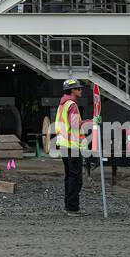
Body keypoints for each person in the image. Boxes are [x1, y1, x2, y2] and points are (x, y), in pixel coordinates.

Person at [55, 80, 83, 215]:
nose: (80, 90)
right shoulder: (72, 105)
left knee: (69, 177)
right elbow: (75, 124)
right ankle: (72, 208)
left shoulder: (62, 104)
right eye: (78, 88)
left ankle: (68, 205)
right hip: (72, 146)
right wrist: (92, 122)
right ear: (73, 90)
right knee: (75, 178)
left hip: (64, 145)